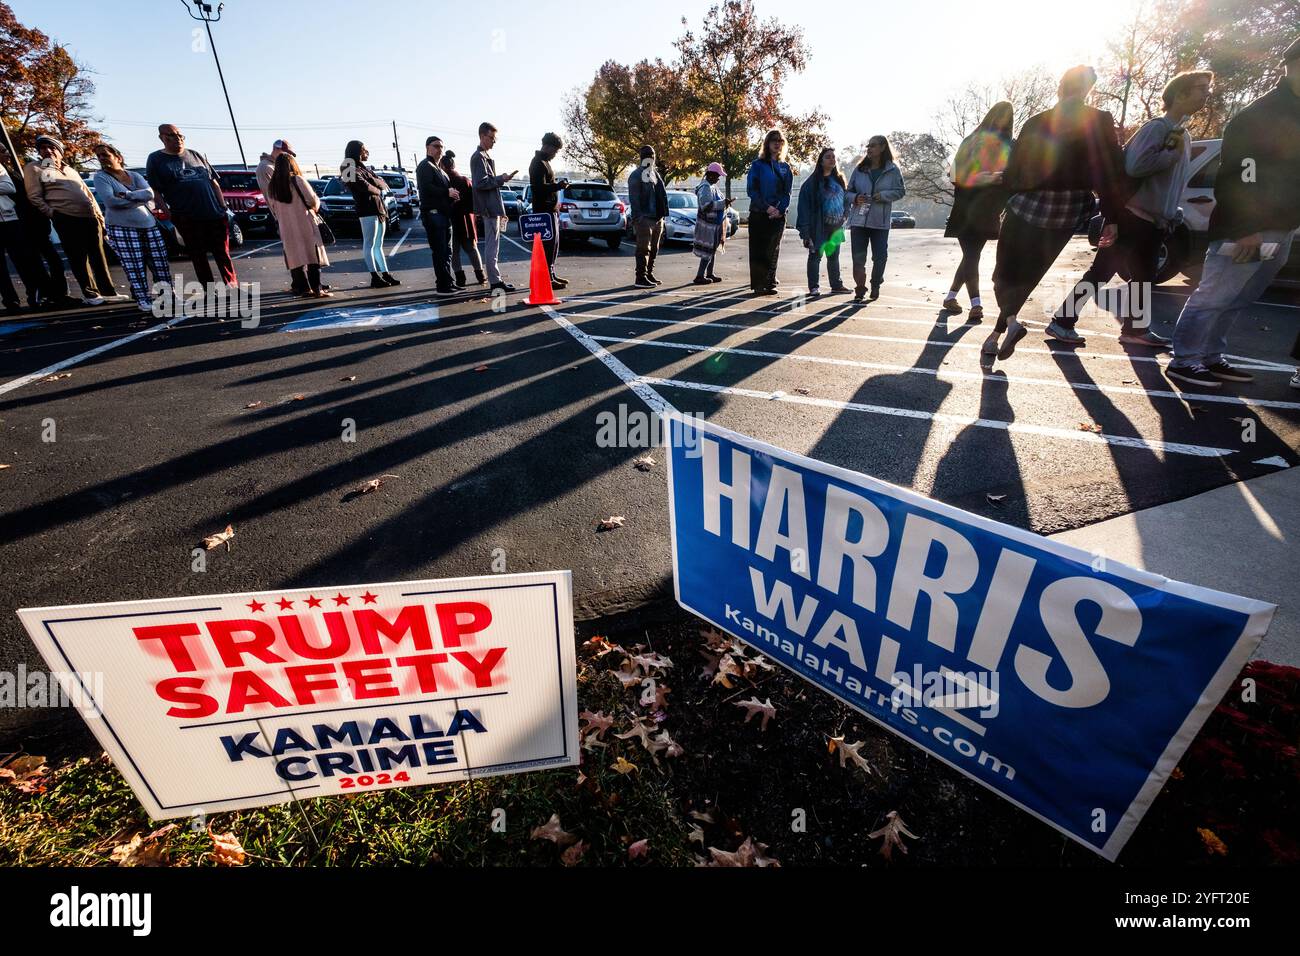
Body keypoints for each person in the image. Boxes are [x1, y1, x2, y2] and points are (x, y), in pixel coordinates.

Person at [1167, 40, 1300, 390]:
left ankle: (1210, 355)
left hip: (1282, 227)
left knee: (1240, 296)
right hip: (1247, 229)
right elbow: (1241, 175)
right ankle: (1184, 360)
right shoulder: (1261, 115)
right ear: (1293, 64)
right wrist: (1246, 228)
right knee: (1214, 295)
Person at [1050, 72, 1214, 349]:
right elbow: (1134, 166)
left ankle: (1135, 330)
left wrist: (1171, 211)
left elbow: (1172, 181)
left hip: (1156, 220)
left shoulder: (1181, 134)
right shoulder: (1157, 128)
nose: (1206, 95)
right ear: (1180, 94)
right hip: (1131, 216)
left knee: (1144, 277)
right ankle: (1062, 322)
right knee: (1101, 271)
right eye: (1201, 89)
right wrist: (1168, 156)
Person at [986, 66, 1129, 362]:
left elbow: (1016, 167)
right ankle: (997, 334)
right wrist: (1112, 216)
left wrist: (1002, 199)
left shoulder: (1039, 121)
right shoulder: (1099, 120)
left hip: (1031, 203)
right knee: (1029, 276)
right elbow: (1109, 169)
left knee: (1004, 273)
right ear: (1089, 89)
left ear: (1060, 86)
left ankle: (1010, 324)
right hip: (1071, 207)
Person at [23, 135, 126, 306]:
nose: (47, 151)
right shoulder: (36, 167)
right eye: (42, 148)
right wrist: (52, 213)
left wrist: (99, 217)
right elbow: (34, 196)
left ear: (60, 151)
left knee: (98, 256)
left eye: (52, 147)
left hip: (90, 217)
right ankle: (91, 294)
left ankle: (108, 291)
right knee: (78, 258)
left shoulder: (70, 169)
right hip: (65, 217)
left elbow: (88, 194)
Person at [942, 103, 1013, 322]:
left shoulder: (1010, 146)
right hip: (967, 209)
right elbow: (953, 175)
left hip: (988, 211)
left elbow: (1013, 180)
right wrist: (982, 178)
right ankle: (976, 304)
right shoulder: (971, 142)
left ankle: (951, 297)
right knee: (972, 256)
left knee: (971, 256)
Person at [146, 124, 236, 289]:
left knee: (222, 253)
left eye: (180, 135)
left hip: (214, 213)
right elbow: (156, 191)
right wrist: (168, 213)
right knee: (198, 255)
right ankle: (210, 290)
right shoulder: (156, 159)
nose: (177, 139)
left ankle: (231, 285)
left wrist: (223, 206)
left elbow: (213, 181)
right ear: (162, 138)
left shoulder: (194, 154)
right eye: (171, 136)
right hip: (186, 217)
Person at [93, 143, 170, 313]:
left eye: (105, 154)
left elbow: (149, 194)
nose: (102, 159)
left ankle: (167, 296)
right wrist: (138, 198)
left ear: (118, 157)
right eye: (99, 156)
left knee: (160, 262)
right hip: (122, 227)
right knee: (134, 265)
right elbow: (111, 202)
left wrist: (128, 195)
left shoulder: (134, 175)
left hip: (148, 224)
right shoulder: (101, 178)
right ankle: (143, 299)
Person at [0, 143, 68, 308]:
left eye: (51, 148)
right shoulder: (31, 167)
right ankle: (48, 295)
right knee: (37, 261)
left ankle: (56, 294)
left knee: (48, 259)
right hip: (23, 223)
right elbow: (35, 194)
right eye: (2, 151)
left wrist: (50, 162)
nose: (7, 153)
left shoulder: (24, 168)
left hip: (36, 222)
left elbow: (49, 184)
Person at [845, 135, 905, 302]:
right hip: (859, 221)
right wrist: (855, 197)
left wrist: (884, 195)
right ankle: (860, 288)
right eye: (868, 146)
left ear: (883, 148)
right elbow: (847, 192)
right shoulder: (859, 169)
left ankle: (875, 283)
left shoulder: (893, 170)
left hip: (880, 222)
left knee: (880, 257)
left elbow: (901, 191)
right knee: (858, 258)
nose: (869, 149)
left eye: (873, 145)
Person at [264, 152, 332, 298]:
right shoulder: (297, 180)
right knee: (313, 256)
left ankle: (303, 289)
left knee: (295, 258)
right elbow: (313, 201)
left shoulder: (272, 187)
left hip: (286, 227)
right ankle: (317, 288)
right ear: (292, 164)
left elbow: (273, 208)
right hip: (305, 223)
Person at [470, 122, 518, 293]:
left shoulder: (483, 156)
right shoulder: (478, 157)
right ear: (482, 136)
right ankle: (495, 281)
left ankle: (495, 280)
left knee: (493, 246)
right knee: (492, 246)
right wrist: (501, 178)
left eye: (494, 138)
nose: (493, 141)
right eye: (491, 138)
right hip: (489, 209)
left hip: (492, 208)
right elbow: (480, 183)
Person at [343, 141, 399, 289]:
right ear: (356, 151)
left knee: (378, 245)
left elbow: (381, 182)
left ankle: (385, 274)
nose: (367, 152)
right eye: (364, 150)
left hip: (379, 209)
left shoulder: (363, 168)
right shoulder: (347, 166)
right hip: (366, 210)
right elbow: (362, 186)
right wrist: (377, 188)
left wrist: (374, 184)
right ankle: (374, 276)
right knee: (369, 244)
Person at [795, 147, 850, 296]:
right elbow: (803, 208)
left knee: (833, 257)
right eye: (828, 157)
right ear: (820, 161)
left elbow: (846, 200)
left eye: (833, 157)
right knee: (815, 257)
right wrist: (806, 233)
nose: (832, 159)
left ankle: (836, 285)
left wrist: (845, 215)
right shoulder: (811, 184)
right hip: (818, 227)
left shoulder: (839, 179)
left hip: (836, 227)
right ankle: (814, 287)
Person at [746, 130, 794, 295]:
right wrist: (767, 207)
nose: (777, 143)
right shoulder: (757, 165)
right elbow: (752, 190)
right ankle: (758, 284)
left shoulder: (785, 168)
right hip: (759, 213)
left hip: (778, 216)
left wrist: (780, 210)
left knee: (773, 250)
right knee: (758, 250)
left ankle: (770, 281)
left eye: (780, 140)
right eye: (773, 140)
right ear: (767, 143)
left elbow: (787, 193)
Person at [0, 161, 51, 313]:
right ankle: (10, 301)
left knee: (23, 260)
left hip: (10, 220)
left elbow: (9, 187)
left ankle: (34, 296)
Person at [416, 136, 458, 296]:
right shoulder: (424, 166)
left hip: (444, 214)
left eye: (441, 146)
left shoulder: (439, 168)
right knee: (440, 251)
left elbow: (442, 190)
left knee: (447, 251)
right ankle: (442, 285)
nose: (440, 149)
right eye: (436, 146)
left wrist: (452, 194)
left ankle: (448, 282)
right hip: (433, 214)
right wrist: (446, 192)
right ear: (428, 147)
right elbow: (425, 188)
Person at [528, 132, 570, 288]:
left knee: (554, 245)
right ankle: (546, 277)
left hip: (550, 210)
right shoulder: (537, 162)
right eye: (555, 150)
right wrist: (558, 186)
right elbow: (538, 188)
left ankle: (551, 274)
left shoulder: (545, 162)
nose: (555, 154)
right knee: (547, 245)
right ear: (547, 146)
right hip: (543, 212)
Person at [441, 150, 486, 287]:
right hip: (466, 219)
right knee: (472, 249)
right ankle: (481, 275)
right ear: (454, 165)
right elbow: (475, 200)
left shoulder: (443, 181)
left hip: (450, 219)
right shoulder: (464, 180)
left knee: (454, 252)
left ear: (442, 165)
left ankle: (460, 278)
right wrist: (474, 213)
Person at [629, 145, 669, 289]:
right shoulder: (636, 175)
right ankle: (640, 277)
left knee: (654, 249)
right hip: (644, 218)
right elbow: (634, 199)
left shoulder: (655, 174)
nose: (651, 157)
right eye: (647, 154)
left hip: (657, 218)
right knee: (643, 249)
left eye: (652, 154)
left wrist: (663, 216)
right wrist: (638, 218)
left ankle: (649, 273)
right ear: (641, 157)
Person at [692, 162, 729, 284]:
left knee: (712, 249)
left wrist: (725, 202)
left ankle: (710, 273)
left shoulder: (712, 186)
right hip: (707, 224)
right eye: (717, 175)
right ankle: (699, 276)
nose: (719, 178)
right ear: (711, 175)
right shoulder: (705, 187)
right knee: (707, 249)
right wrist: (723, 204)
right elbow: (705, 206)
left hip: (714, 223)